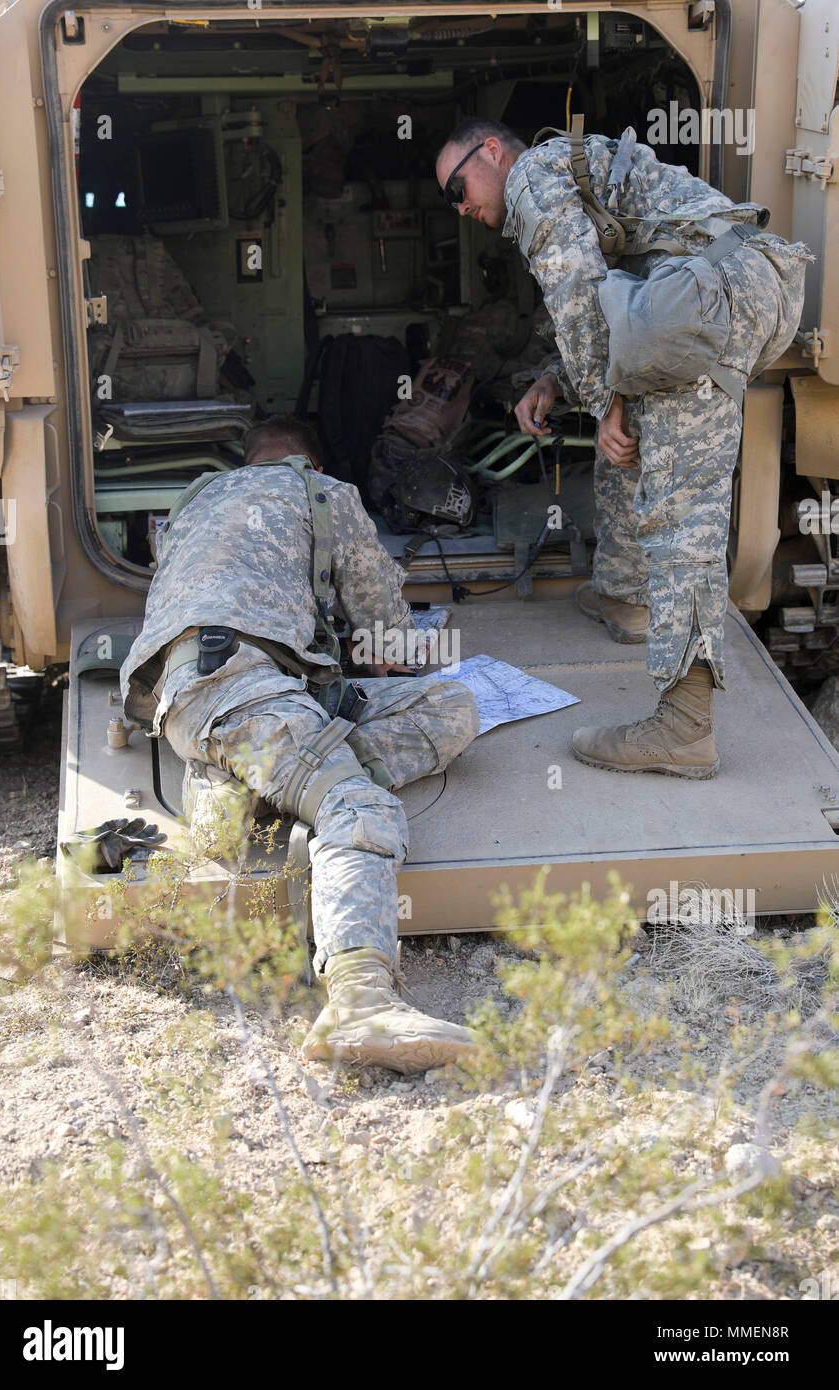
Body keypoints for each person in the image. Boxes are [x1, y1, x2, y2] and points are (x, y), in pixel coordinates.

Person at [436, 119, 809, 778]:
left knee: (679, 510)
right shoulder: (563, 175)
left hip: (704, 295)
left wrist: (609, 400)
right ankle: (625, 594)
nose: (462, 208)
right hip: (726, 285)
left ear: (491, 151)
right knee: (634, 447)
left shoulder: (530, 176)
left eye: (458, 189)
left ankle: (684, 727)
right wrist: (557, 381)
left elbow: (579, 292)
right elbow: (607, 301)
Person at [120, 415, 480, 1073]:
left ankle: (263, 790)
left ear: (247, 459)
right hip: (246, 689)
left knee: (451, 708)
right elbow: (387, 630)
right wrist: (397, 643)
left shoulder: (194, 503)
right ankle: (360, 998)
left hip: (199, 692)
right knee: (358, 809)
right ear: (312, 466)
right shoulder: (324, 494)